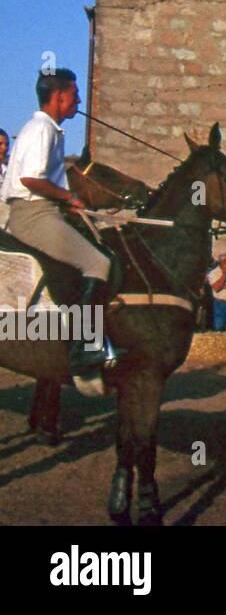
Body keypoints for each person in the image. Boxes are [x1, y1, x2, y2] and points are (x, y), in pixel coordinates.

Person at [0, 69, 111, 395]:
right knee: (99, 264)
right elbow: (31, 181)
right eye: (75, 93)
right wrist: (68, 197)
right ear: (59, 96)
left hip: (44, 212)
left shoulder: (47, 130)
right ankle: (85, 355)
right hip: (35, 216)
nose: (78, 99)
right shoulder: (42, 129)